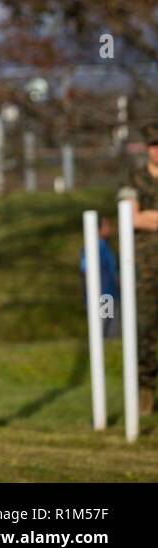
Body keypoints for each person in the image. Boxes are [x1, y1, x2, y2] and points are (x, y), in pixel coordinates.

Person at [123, 121, 158, 415]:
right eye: (154, 145)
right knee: (144, 331)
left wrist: (150, 216)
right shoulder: (133, 179)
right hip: (145, 271)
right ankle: (145, 393)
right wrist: (142, 217)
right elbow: (131, 218)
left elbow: (143, 218)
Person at [79, 216, 121, 339]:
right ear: (97, 229)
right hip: (103, 296)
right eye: (106, 226)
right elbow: (85, 272)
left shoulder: (104, 247)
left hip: (109, 294)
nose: (109, 229)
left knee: (110, 330)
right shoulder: (93, 248)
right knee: (104, 332)